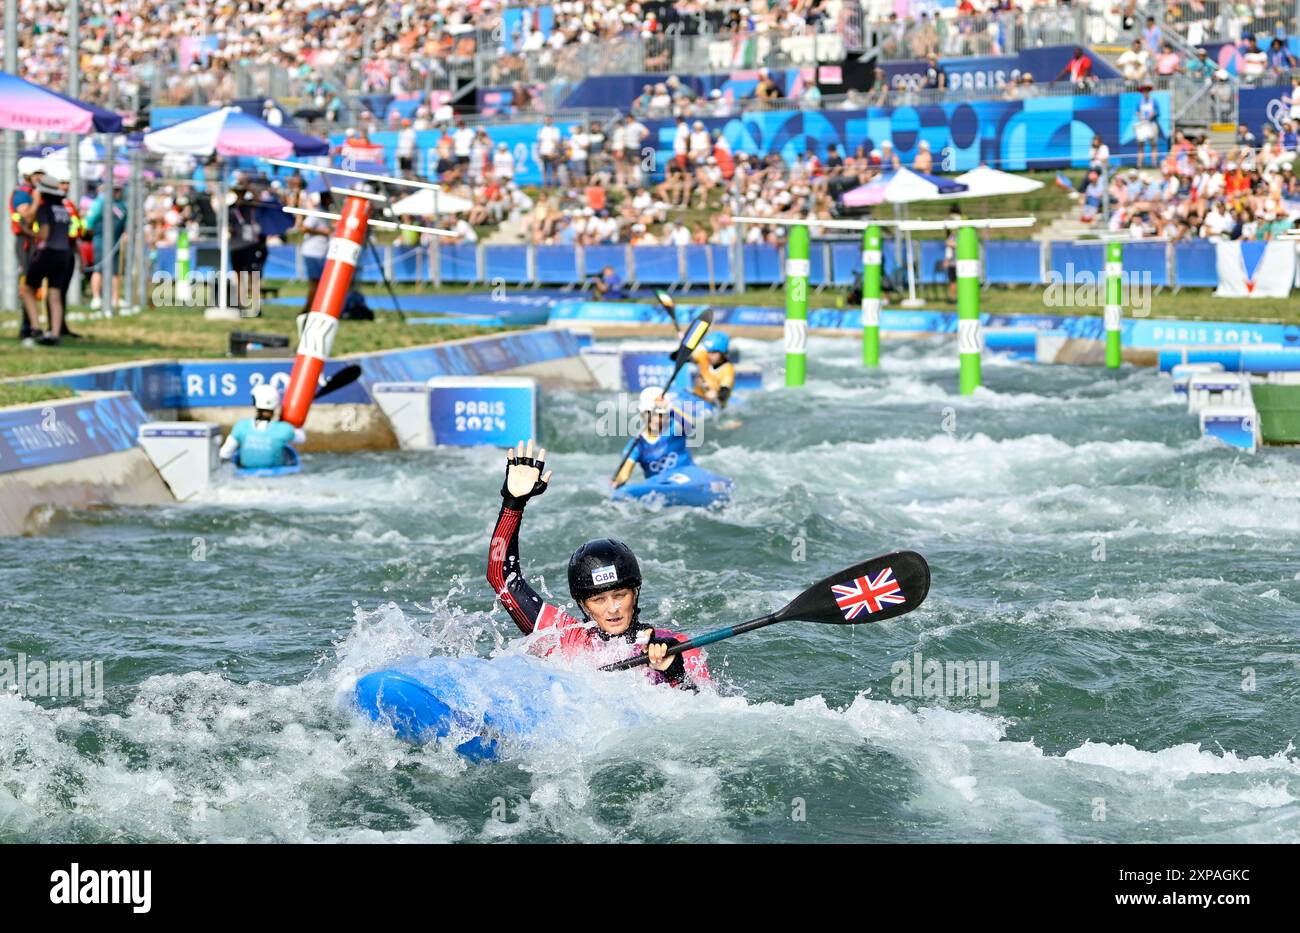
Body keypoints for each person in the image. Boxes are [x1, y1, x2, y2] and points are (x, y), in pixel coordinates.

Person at [488, 440, 709, 689]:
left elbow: (706, 713)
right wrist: (513, 503)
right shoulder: (562, 638)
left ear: (635, 593)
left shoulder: (675, 645)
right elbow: (501, 577)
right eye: (598, 600)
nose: (612, 608)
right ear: (583, 604)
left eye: (620, 595)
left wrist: (674, 672)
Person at [23, 164, 78, 345]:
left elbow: (44, 233)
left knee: (28, 289)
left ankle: (36, 328)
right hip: (64, 254)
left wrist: (28, 231)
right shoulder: (65, 209)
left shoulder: (45, 209)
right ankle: (54, 334)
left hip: (47, 252)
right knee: (55, 294)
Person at [614, 387, 697, 488]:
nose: (657, 420)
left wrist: (669, 408)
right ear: (642, 414)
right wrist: (618, 481)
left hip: (688, 479)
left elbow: (691, 425)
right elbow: (624, 473)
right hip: (659, 487)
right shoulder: (637, 444)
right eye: (652, 414)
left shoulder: (675, 429)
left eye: (662, 415)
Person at [219, 384, 305, 469]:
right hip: (278, 477)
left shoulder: (241, 427)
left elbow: (224, 454)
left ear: (255, 402)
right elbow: (302, 438)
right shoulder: (285, 429)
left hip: (246, 476)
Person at [10, 158, 45, 343]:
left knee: (33, 284)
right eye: (38, 174)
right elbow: (28, 215)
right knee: (28, 285)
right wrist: (38, 199)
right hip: (25, 244)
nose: (41, 178)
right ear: (28, 176)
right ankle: (27, 327)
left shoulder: (32, 192)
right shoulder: (22, 194)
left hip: (34, 243)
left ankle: (30, 325)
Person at [691, 332, 736, 408]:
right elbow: (675, 357)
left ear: (722, 353)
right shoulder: (704, 355)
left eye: (714, 353)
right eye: (709, 352)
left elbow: (724, 393)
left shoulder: (728, 370)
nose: (710, 356)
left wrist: (716, 396)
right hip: (695, 398)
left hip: (712, 405)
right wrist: (683, 350)